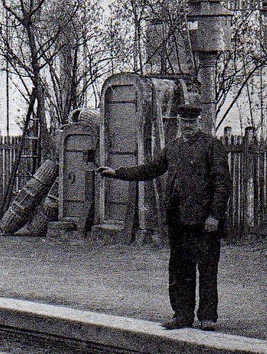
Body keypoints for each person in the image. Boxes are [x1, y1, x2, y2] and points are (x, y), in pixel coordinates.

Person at [97, 102, 231, 331]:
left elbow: (223, 183)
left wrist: (215, 215)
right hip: (178, 220)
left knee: (207, 269)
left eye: (191, 122)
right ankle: (182, 315)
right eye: (183, 122)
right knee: (179, 269)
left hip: (204, 222)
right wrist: (117, 173)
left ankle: (207, 316)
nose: (187, 126)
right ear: (178, 123)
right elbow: (151, 169)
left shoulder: (212, 146)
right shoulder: (174, 147)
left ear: (199, 122)